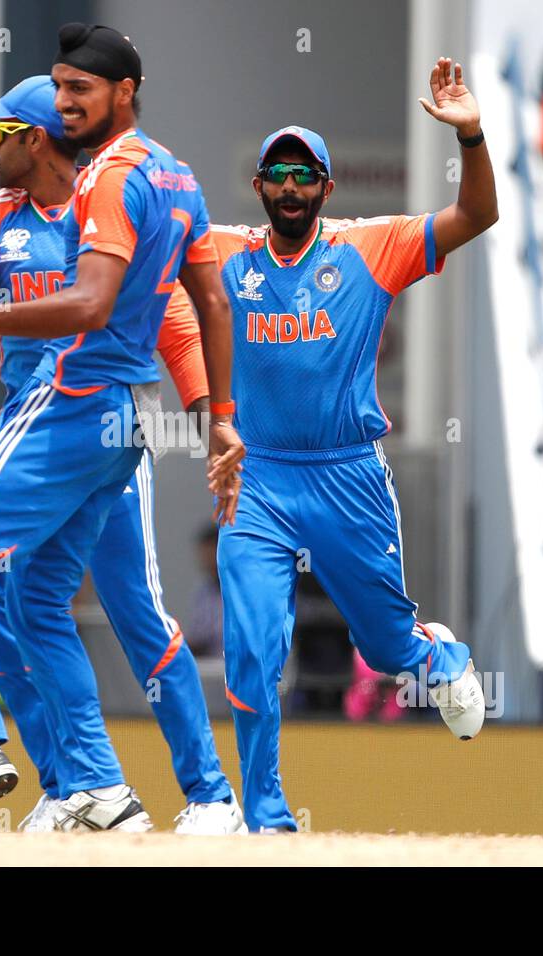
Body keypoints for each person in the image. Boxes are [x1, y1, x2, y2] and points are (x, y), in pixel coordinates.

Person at [0, 24, 244, 833]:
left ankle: (202, 792)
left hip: (71, 411)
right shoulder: (18, 208)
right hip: (79, 423)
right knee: (32, 602)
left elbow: (171, 318)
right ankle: (86, 785)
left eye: (2, 131)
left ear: (40, 135)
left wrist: (209, 414)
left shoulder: (104, 189)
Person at [204, 56, 494, 833]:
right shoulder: (225, 254)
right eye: (278, 174)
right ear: (260, 187)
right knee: (255, 646)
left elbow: (477, 217)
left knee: (385, 650)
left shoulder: (374, 245)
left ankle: (436, 657)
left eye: (305, 174)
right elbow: (135, 255)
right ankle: (265, 815)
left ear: (327, 189)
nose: (290, 186)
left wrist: (470, 135)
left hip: (346, 478)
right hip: (257, 477)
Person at [185, 523, 223, 660]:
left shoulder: (249, 591)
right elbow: (199, 639)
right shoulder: (204, 592)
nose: (207, 561)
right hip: (212, 673)